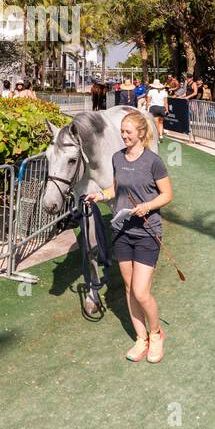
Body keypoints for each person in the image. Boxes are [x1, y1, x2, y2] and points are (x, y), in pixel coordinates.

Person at [85, 111, 173, 363]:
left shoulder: (153, 162)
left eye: (128, 132)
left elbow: (167, 194)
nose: (123, 136)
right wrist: (100, 195)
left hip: (147, 231)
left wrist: (148, 206)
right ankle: (141, 338)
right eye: (122, 132)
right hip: (122, 231)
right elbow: (116, 188)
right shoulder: (117, 158)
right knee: (129, 289)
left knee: (141, 291)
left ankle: (156, 335)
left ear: (141, 134)